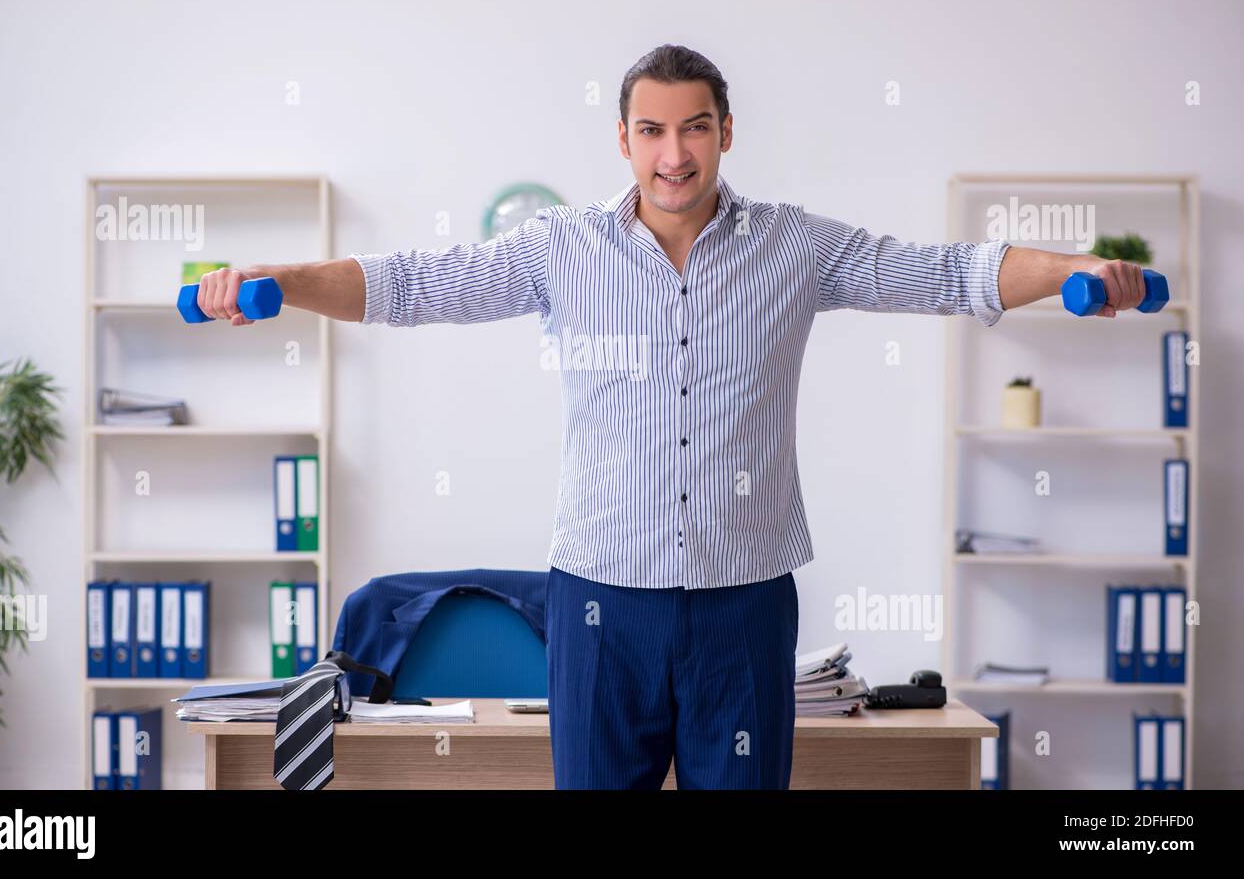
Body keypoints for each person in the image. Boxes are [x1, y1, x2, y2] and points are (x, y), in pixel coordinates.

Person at [196, 44, 1151, 789]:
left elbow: (948, 270)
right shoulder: (561, 251)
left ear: (726, 131)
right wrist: (278, 281)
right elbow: (411, 284)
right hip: (600, 605)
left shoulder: (794, 247)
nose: (674, 154)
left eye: (694, 128)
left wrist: (1073, 270)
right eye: (651, 131)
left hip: (745, 602)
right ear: (622, 139)